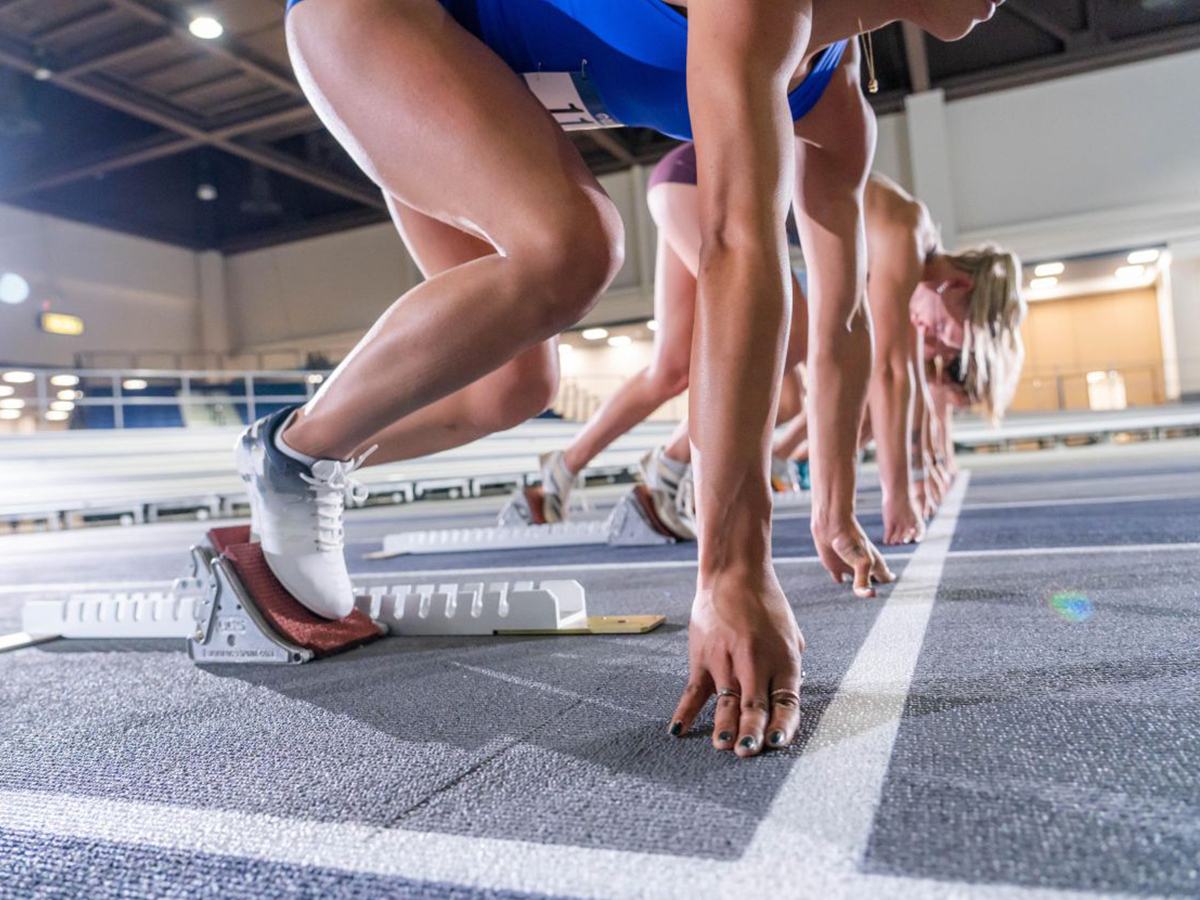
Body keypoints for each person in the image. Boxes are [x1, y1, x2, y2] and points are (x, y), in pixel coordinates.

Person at [239, 0, 1004, 758]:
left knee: (512, 389)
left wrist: (834, 512)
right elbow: (737, 246)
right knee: (574, 247)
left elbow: (843, 324)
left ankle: (293, 453)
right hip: (379, 19)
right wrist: (732, 571)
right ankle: (297, 456)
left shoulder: (838, 108)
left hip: (472, 63)